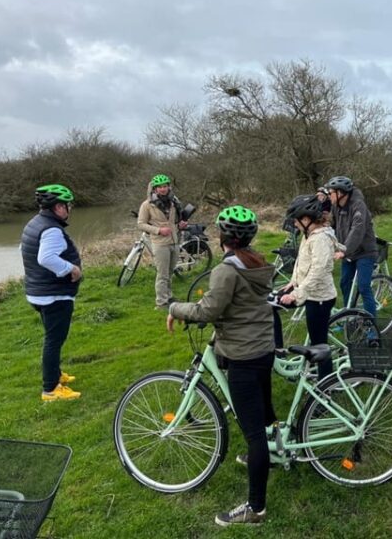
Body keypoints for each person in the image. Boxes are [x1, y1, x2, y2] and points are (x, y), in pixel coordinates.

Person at [168, 205, 276, 526]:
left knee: (254, 434)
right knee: (265, 417)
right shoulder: (256, 262)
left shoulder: (227, 270)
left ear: (222, 236)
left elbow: (207, 311)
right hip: (263, 348)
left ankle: (255, 509)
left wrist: (174, 308)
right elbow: (239, 307)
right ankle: (270, 455)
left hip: (243, 356)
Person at [20, 184, 83, 402]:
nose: (69, 209)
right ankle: (50, 389)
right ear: (58, 207)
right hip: (53, 295)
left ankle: (55, 374)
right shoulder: (52, 230)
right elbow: (45, 258)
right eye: (67, 205)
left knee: (52, 337)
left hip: (39, 292)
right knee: (54, 341)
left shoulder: (35, 223)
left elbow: (26, 250)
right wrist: (71, 269)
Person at [278, 194, 342, 379]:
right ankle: (280, 352)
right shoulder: (309, 235)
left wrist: (297, 294)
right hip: (309, 292)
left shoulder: (320, 239)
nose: (294, 223)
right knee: (273, 303)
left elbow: (317, 271)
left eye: (296, 220)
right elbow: (302, 261)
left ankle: (326, 384)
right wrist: (293, 282)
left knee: (319, 344)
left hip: (320, 298)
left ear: (306, 219)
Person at [326, 175, 378, 317]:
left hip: (365, 251)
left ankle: (370, 324)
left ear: (340, 193)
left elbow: (357, 229)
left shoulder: (358, 205)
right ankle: (350, 315)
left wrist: (344, 250)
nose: (329, 195)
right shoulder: (336, 206)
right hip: (348, 252)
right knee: (344, 283)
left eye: (331, 192)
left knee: (363, 286)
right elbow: (330, 224)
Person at [137, 174, 188, 309]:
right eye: (159, 187)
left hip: (174, 241)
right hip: (160, 244)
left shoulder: (173, 202)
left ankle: (169, 297)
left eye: (165, 186)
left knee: (170, 272)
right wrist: (158, 230)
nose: (163, 189)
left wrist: (180, 225)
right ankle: (161, 303)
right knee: (162, 274)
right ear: (155, 189)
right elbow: (141, 224)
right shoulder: (147, 205)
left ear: (169, 187)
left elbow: (174, 222)